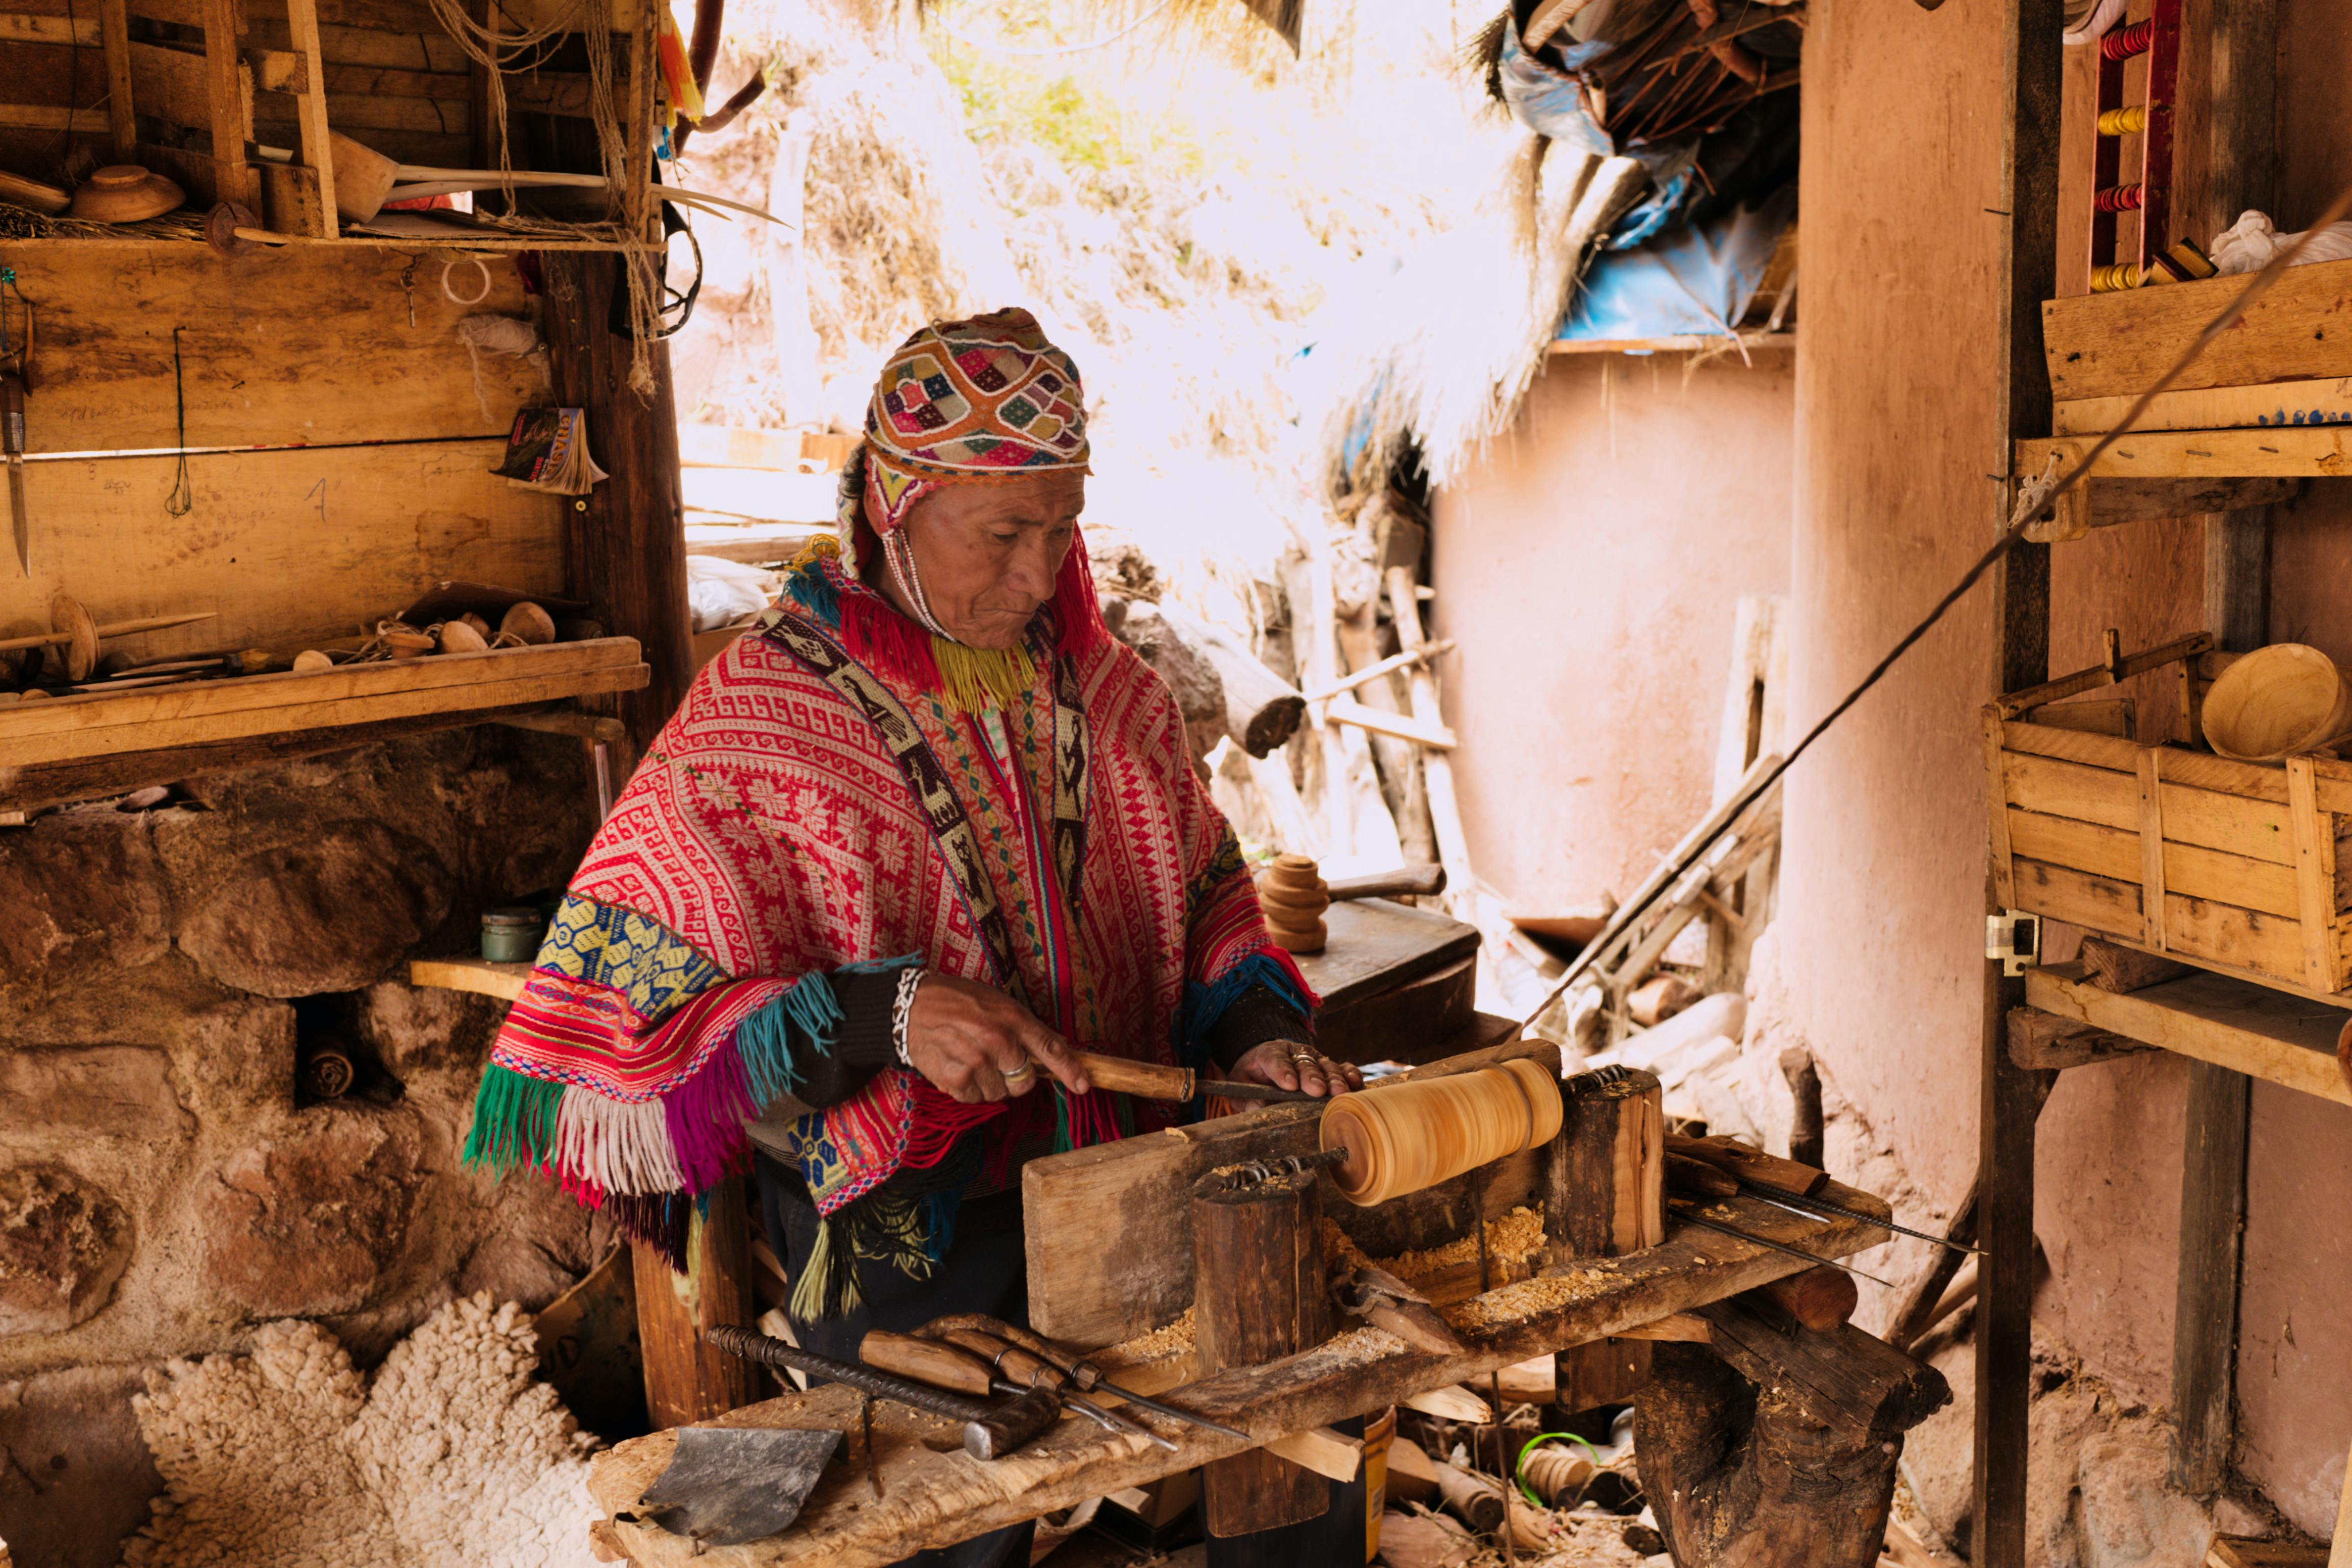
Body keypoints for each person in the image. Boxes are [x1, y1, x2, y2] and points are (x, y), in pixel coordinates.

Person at [465, 309, 1363, 1566]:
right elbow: (629, 1000)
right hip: (908, 1223)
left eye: (1060, 529)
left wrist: (1259, 1030)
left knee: (1295, 1430)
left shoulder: (1111, 692)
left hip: (1134, 1183)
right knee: (939, 1516)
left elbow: (1207, 891)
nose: (1039, 571)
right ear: (894, 506)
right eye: (1001, 533)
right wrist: (888, 1012)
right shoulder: (760, 717)